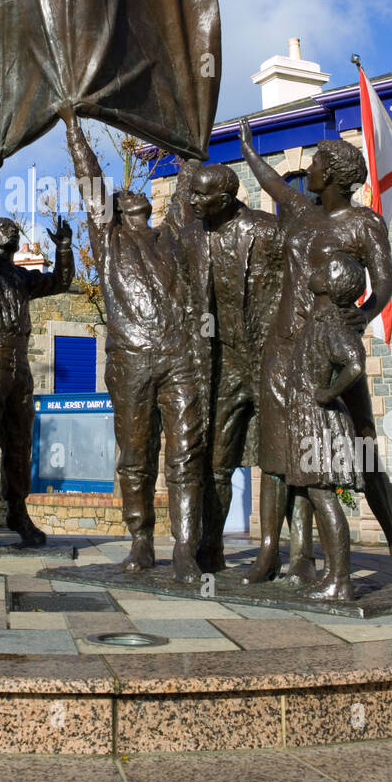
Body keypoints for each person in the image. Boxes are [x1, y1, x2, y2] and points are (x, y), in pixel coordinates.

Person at [237, 118, 392, 591]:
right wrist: (248, 148)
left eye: (316, 164)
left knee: (362, 446)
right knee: (277, 454)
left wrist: (362, 315)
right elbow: (274, 184)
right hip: (285, 344)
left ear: (336, 174)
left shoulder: (364, 223)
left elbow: (384, 283)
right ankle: (277, 555)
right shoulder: (301, 210)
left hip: (331, 345)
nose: (309, 171)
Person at [61, 106, 205, 583]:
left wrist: (194, 134)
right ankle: (141, 542)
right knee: (135, 457)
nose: (132, 195)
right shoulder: (109, 240)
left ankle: (185, 549)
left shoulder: (174, 236)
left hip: (179, 357)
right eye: (123, 197)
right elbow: (91, 182)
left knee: (186, 454)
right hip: (130, 361)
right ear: (119, 210)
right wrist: (73, 128)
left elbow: (187, 181)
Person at [169, 161, 282, 571]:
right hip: (221, 363)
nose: (192, 201)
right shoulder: (189, 238)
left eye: (200, 195)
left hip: (268, 358)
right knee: (217, 461)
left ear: (226, 197)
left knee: (280, 459)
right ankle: (210, 547)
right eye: (191, 193)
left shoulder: (268, 231)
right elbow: (186, 300)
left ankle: (282, 552)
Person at [0, 162, 74, 550]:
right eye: (2, 224)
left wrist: (63, 247)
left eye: (14, 225)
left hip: (20, 364)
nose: (11, 228)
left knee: (20, 442)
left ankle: (17, 512)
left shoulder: (21, 277)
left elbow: (61, 281)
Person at [286, 252, 368, 602]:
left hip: (319, 423)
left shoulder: (332, 322)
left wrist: (328, 393)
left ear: (333, 285)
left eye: (324, 269)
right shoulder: (318, 320)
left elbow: (355, 365)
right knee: (317, 497)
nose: (315, 271)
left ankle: (340, 580)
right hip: (307, 420)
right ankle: (334, 577)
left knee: (324, 498)